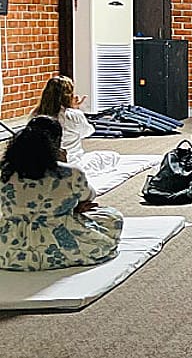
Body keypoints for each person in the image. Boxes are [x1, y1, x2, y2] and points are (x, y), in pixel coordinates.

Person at [0, 116, 123, 272]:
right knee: (113, 217)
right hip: (59, 243)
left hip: (7, 250)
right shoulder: (70, 172)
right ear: (56, 143)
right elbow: (90, 196)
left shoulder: (3, 171)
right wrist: (71, 206)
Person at [32, 75, 118, 172]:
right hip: (72, 161)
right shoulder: (72, 115)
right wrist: (76, 110)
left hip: (45, 162)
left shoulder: (35, 114)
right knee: (112, 156)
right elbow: (87, 132)